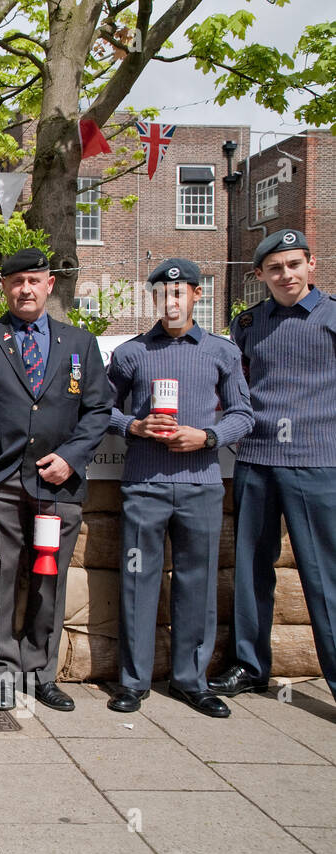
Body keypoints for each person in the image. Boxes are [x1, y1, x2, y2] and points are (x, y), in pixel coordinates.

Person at [106, 258, 253, 718]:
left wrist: (207, 437)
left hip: (202, 485)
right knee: (137, 582)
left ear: (196, 295)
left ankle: (192, 680)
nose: (170, 300)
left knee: (198, 584)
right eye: (161, 293)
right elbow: (97, 410)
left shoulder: (222, 352)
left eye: (179, 292)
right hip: (144, 486)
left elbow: (243, 415)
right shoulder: (131, 353)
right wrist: (133, 425)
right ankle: (133, 682)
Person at [0, 248, 110, 712]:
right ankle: (2, 671)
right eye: (15, 281)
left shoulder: (80, 343)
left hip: (57, 485)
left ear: (50, 284)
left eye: (33, 280)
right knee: (0, 577)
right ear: (3, 288)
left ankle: (39, 672)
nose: (24, 289)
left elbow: (98, 410)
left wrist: (70, 458)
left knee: (49, 576)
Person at [211, 229, 336, 703]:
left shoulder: (333, 317)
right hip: (257, 459)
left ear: (311, 264)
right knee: (250, 570)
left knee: (322, 575)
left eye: (294, 265)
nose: (286, 275)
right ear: (260, 275)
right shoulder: (248, 324)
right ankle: (249, 665)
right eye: (275, 268)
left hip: (317, 463)